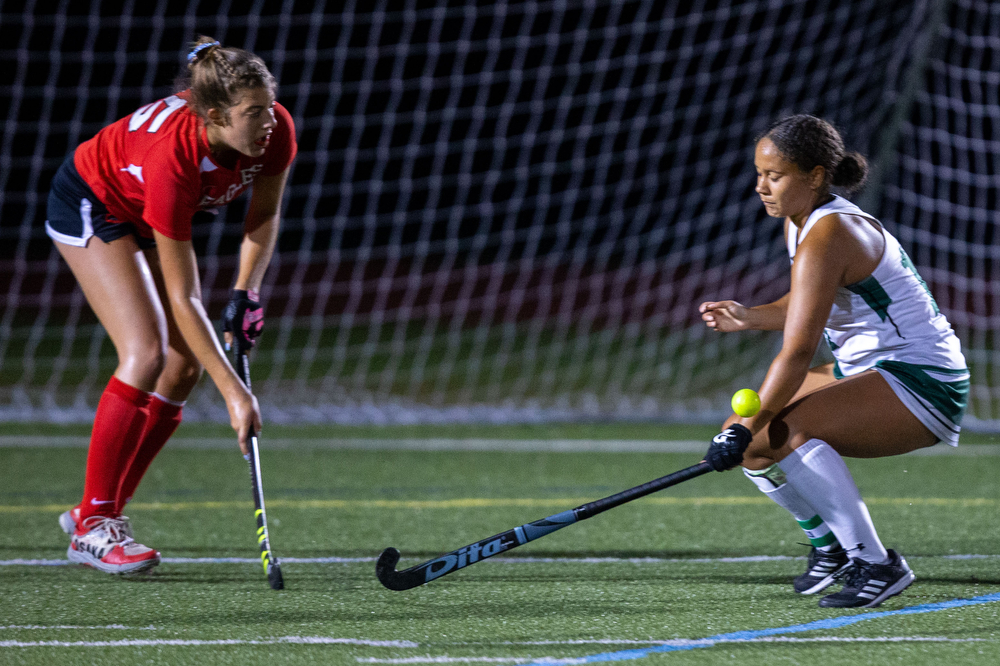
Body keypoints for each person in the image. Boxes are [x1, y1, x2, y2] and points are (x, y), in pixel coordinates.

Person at [45, 37, 297, 574]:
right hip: (93, 200)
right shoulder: (174, 160)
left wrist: (247, 291)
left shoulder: (274, 132)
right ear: (213, 116)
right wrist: (236, 393)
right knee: (146, 352)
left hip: (143, 211)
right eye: (253, 113)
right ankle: (93, 528)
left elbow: (264, 216)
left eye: (270, 107)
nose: (268, 122)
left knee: (183, 369)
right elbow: (184, 298)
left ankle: (98, 509)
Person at [699, 115, 968, 608]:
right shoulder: (798, 222)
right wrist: (748, 317)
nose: (761, 186)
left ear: (816, 176)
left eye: (774, 175)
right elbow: (805, 302)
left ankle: (876, 563)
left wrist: (747, 428)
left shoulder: (830, 234)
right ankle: (831, 550)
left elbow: (799, 350)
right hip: (867, 369)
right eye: (759, 173)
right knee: (749, 439)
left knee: (784, 432)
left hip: (922, 379)